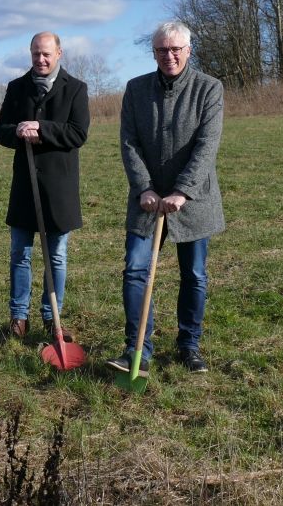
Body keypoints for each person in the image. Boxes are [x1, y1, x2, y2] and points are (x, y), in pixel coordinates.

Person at [106, 20, 225, 376]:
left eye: (176, 49)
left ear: (189, 50)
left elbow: (207, 146)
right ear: (153, 52)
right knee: (136, 271)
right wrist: (145, 187)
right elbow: (129, 142)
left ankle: (189, 345)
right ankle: (137, 349)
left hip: (194, 200)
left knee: (194, 274)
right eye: (161, 50)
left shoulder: (209, 89)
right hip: (147, 199)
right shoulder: (136, 89)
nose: (169, 56)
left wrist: (182, 190)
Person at [0, 31, 90, 340]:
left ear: (59, 53)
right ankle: (18, 317)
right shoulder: (17, 88)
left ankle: (53, 317)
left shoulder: (75, 89)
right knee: (20, 253)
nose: (41, 59)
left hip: (59, 188)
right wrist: (18, 131)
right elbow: (0, 130)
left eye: (47, 53)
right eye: (36, 53)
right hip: (25, 184)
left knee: (56, 256)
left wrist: (43, 129)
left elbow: (78, 133)